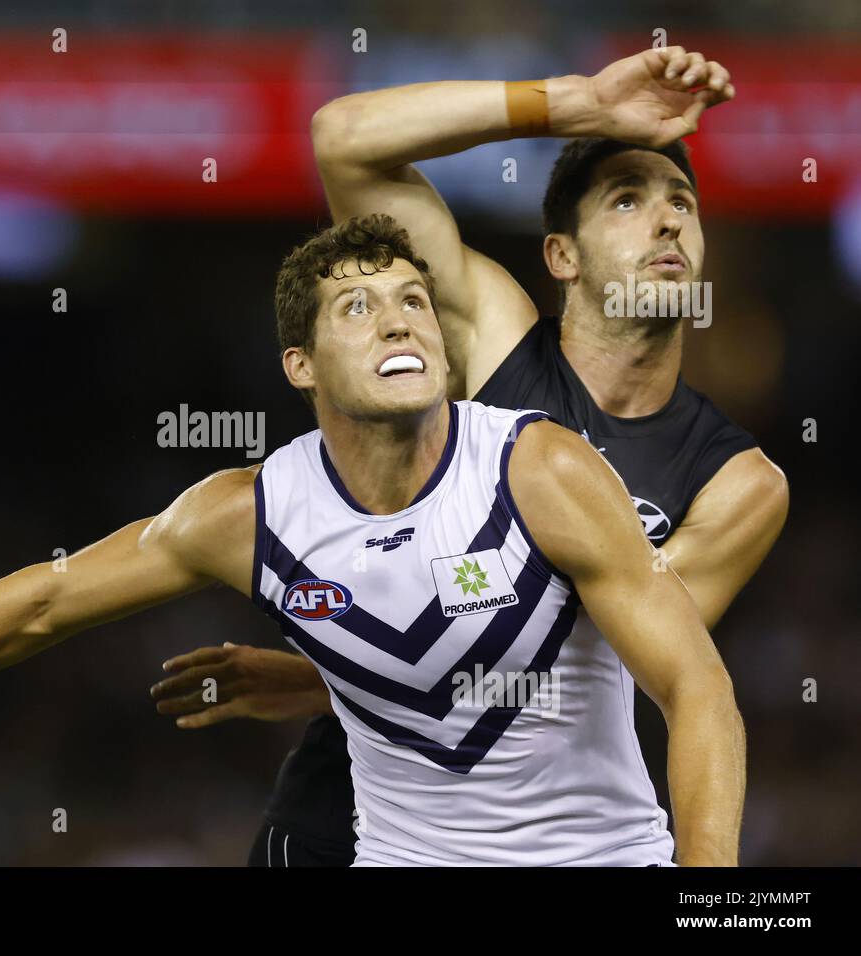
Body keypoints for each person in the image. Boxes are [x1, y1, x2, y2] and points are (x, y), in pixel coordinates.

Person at [0, 215, 744, 866]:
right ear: (298, 366)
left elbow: (695, 689)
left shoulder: (539, 470)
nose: (401, 318)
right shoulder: (255, 513)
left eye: (414, 300)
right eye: (359, 308)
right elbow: (43, 599)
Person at [151, 45, 787, 867]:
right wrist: (575, 103)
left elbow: (598, 666)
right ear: (561, 256)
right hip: (336, 821)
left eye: (683, 203)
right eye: (628, 200)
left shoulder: (738, 483)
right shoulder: (488, 341)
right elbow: (346, 136)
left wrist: (325, 675)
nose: (668, 220)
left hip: (520, 839)